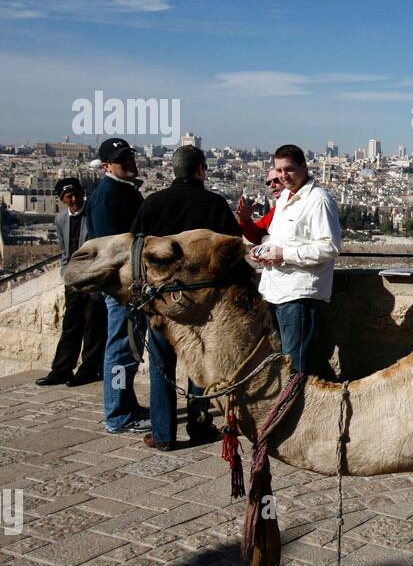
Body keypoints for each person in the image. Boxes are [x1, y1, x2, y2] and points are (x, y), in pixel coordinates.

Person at [131, 145, 242, 450]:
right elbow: (234, 248)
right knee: (199, 365)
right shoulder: (213, 204)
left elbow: (135, 251)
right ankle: (200, 425)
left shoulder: (153, 204)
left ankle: (164, 434)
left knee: (161, 366)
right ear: (200, 169)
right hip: (199, 303)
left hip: (161, 301)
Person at [250, 144, 340, 375]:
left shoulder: (319, 200)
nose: (283, 176)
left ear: (304, 167)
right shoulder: (284, 199)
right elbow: (282, 238)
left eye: (288, 169)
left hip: (299, 294)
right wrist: (264, 250)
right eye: (279, 170)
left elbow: (329, 246)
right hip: (275, 291)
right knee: (291, 362)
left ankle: (298, 410)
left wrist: (283, 255)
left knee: (296, 365)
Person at [85, 137, 148, 435]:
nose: (131, 163)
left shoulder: (122, 191)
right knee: (121, 351)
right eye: (123, 160)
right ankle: (119, 414)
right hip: (123, 288)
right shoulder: (108, 196)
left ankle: (125, 405)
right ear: (107, 165)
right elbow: (113, 249)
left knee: (127, 350)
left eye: (131, 157)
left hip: (130, 286)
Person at [36, 177, 106, 387]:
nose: (74, 199)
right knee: (71, 325)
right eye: (69, 196)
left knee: (93, 326)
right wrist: (66, 275)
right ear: (62, 199)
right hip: (74, 282)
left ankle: (89, 369)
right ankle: (62, 369)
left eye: (76, 194)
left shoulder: (93, 214)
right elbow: (64, 252)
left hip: (93, 278)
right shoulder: (60, 220)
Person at [235, 167, 284, 244]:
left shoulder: (303, 204)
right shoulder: (276, 210)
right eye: (268, 183)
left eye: (276, 180)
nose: (272, 185)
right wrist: (245, 219)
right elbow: (258, 236)